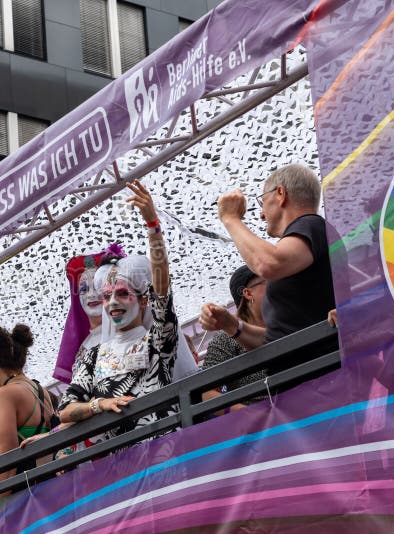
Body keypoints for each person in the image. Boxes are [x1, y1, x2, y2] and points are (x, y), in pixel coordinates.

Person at [58, 180, 179, 442]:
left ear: (143, 301)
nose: (113, 302)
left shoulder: (156, 341)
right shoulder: (93, 355)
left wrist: (153, 226)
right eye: (107, 296)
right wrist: (98, 405)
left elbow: (162, 290)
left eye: (123, 293)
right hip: (119, 465)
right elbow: (65, 410)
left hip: (163, 452)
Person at [200, 163, 336, 348]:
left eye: (262, 202)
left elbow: (268, 264)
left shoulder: (311, 225)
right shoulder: (309, 240)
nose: (261, 215)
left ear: (280, 194)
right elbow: (277, 341)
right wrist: (232, 325)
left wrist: (230, 218)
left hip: (322, 370)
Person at [0, 324, 57, 496]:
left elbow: (6, 455)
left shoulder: (5, 393)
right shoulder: (43, 392)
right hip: (45, 485)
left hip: (20, 495)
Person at [54, 244, 126, 383]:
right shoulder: (84, 346)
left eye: (98, 286)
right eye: (84, 289)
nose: (91, 295)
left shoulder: (127, 331)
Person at [202, 264, 268, 409]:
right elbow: (207, 392)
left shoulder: (288, 321)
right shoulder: (225, 338)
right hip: (265, 426)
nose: (277, 286)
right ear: (248, 293)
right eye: (268, 281)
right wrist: (247, 413)